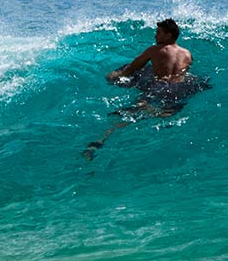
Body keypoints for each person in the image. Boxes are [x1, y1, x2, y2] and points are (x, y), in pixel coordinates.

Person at [85, 19, 203, 159]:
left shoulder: (155, 50)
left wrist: (114, 76)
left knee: (133, 111)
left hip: (159, 86)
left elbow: (132, 68)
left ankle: (100, 141)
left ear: (169, 35)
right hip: (179, 88)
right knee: (169, 112)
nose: (155, 36)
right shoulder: (187, 54)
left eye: (158, 33)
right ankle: (158, 113)